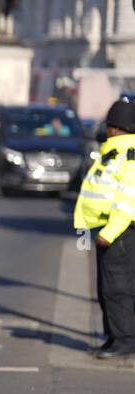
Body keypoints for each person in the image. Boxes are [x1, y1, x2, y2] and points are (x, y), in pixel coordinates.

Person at [74, 97, 135, 359]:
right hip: (105, 230)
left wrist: (108, 234)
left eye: (110, 124)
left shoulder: (129, 156)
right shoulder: (113, 152)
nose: (106, 129)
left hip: (119, 233)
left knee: (118, 289)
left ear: (117, 128)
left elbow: (128, 201)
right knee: (106, 290)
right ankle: (113, 337)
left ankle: (125, 342)